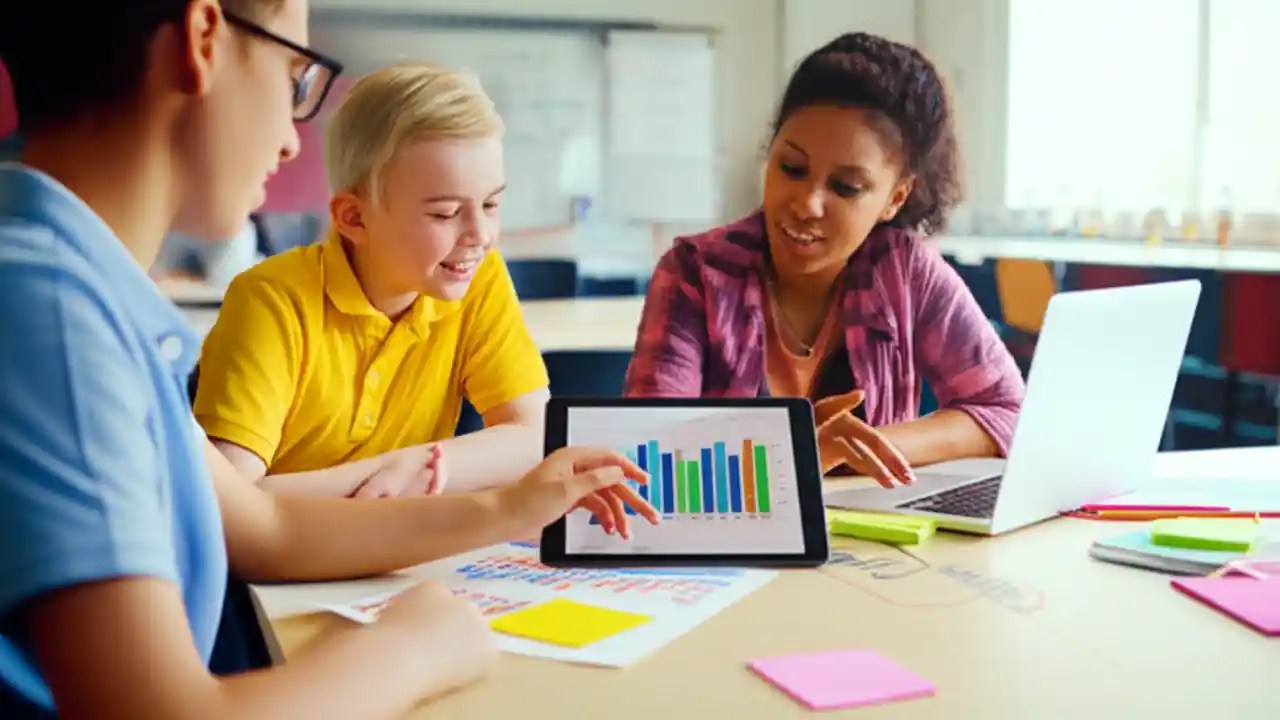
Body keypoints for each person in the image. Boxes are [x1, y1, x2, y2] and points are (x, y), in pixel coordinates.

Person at [0, 2, 656, 718]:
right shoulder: (52, 312)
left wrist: (505, 507)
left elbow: (261, 525)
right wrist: (412, 649)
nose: (290, 142)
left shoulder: (79, 291)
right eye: (294, 76)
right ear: (204, 38)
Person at [624, 32, 1024, 489]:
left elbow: (1007, 411)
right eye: (791, 169)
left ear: (895, 197)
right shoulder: (696, 273)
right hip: (732, 551)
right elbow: (646, 454)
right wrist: (798, 455)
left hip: (877, 552)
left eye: (846, 188)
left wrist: (863, 447)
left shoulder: (908, 274)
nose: (807, 204)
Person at [194, 62, 550, 498]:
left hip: (397, 559)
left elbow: (534, 436)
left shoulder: (477, 277)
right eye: (445, 213)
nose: (480, 236)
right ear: (354, 217)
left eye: (491, 205)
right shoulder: (272, 301)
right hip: (282, 564)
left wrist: (418, 467)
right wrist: (399, 478)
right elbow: (227, 502)